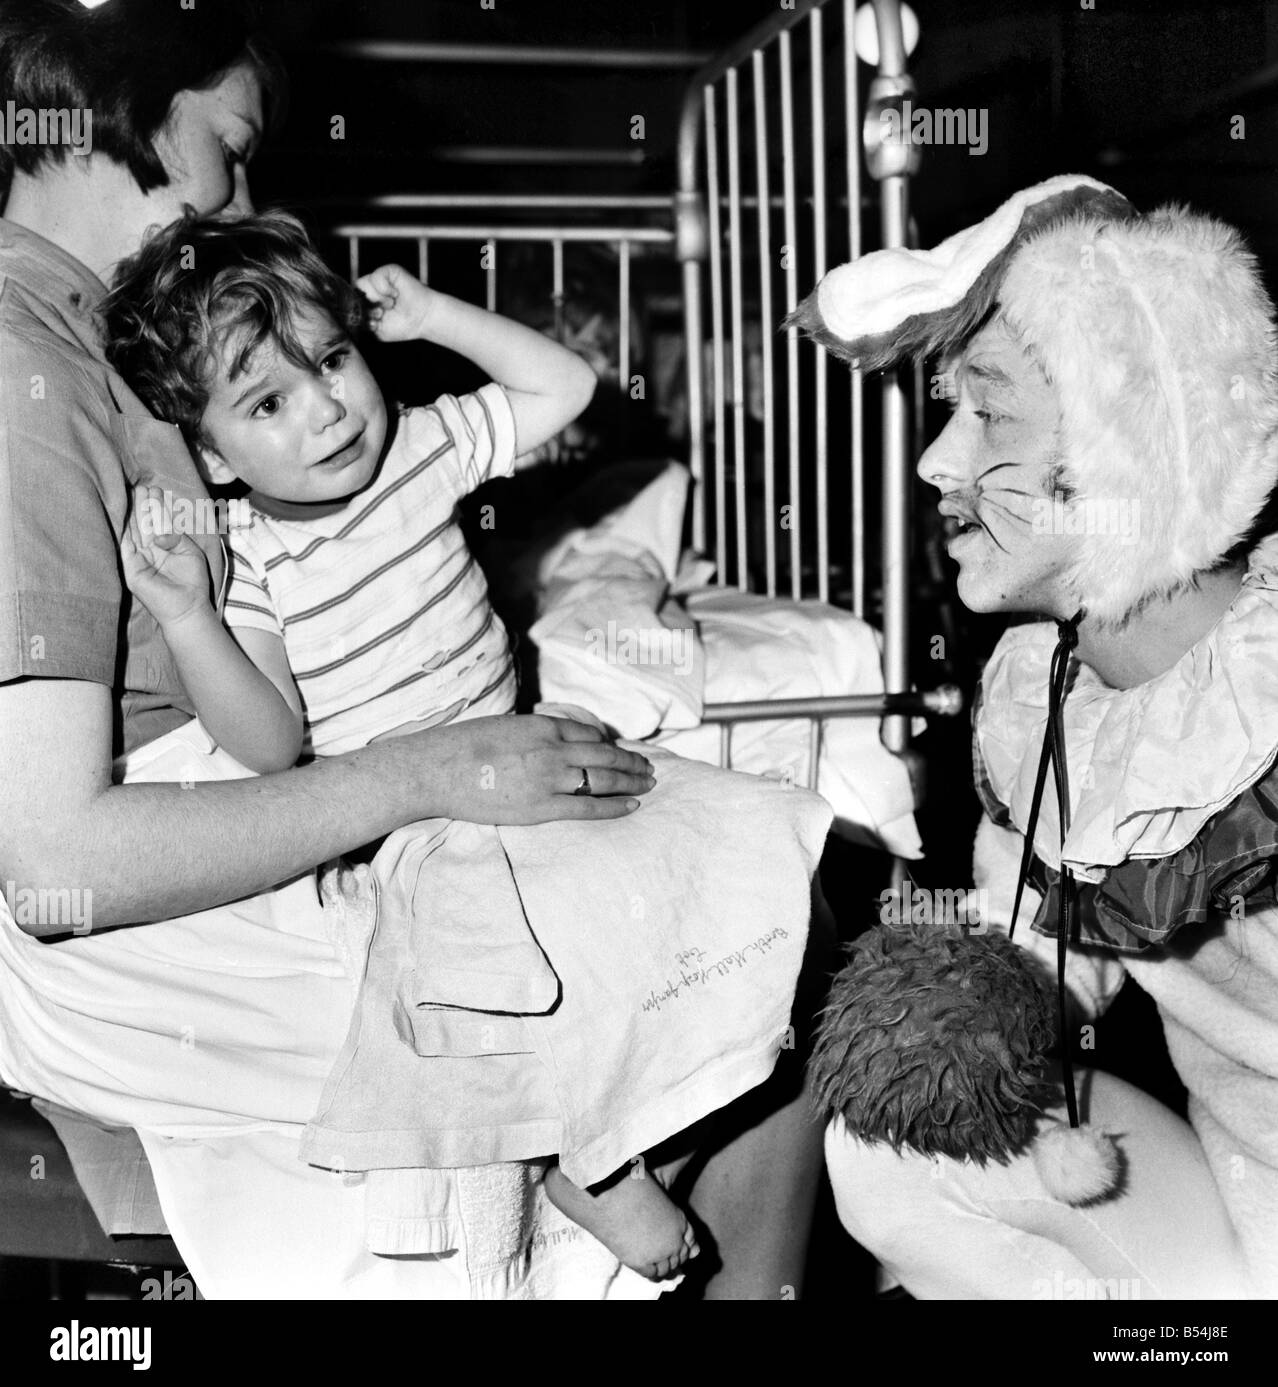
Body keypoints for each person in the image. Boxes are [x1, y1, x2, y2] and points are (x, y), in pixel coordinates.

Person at [0, 0, 826, 1299]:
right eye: (233, 138)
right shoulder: (21, 373)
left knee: (756, 894)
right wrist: (432, 771)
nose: (239, 183)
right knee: (761, 954)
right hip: (226, 861)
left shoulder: (85, 332)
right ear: (137, 94)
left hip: (288, 796)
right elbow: (54, 854)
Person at [792, 173, 1278, 1298]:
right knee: (887, 1140)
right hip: (1233, 1180)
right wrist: (951, 1001)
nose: (935, 465)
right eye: (949, 411)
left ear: (1134, 450)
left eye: (992, 412)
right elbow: (1056, 943)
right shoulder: (1042, 694)